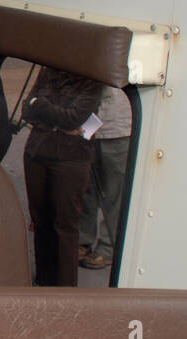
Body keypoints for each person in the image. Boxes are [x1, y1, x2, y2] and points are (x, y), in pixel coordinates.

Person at [21, 66, 105, 287]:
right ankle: (43, 281)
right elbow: (26, 110)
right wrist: (57, 120)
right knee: (40, 221)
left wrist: (41, 107)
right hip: (36, 152)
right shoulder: (50, 70)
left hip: (71, 159)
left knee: (65, 225)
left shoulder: (93, 78)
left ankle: (66, 289)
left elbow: (73, 118)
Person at [78, 85, 132, 269]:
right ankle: (83, 238)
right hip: (91, 121)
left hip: (118, 125)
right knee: (87, 187)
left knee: (114, 191)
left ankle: (110, 246)